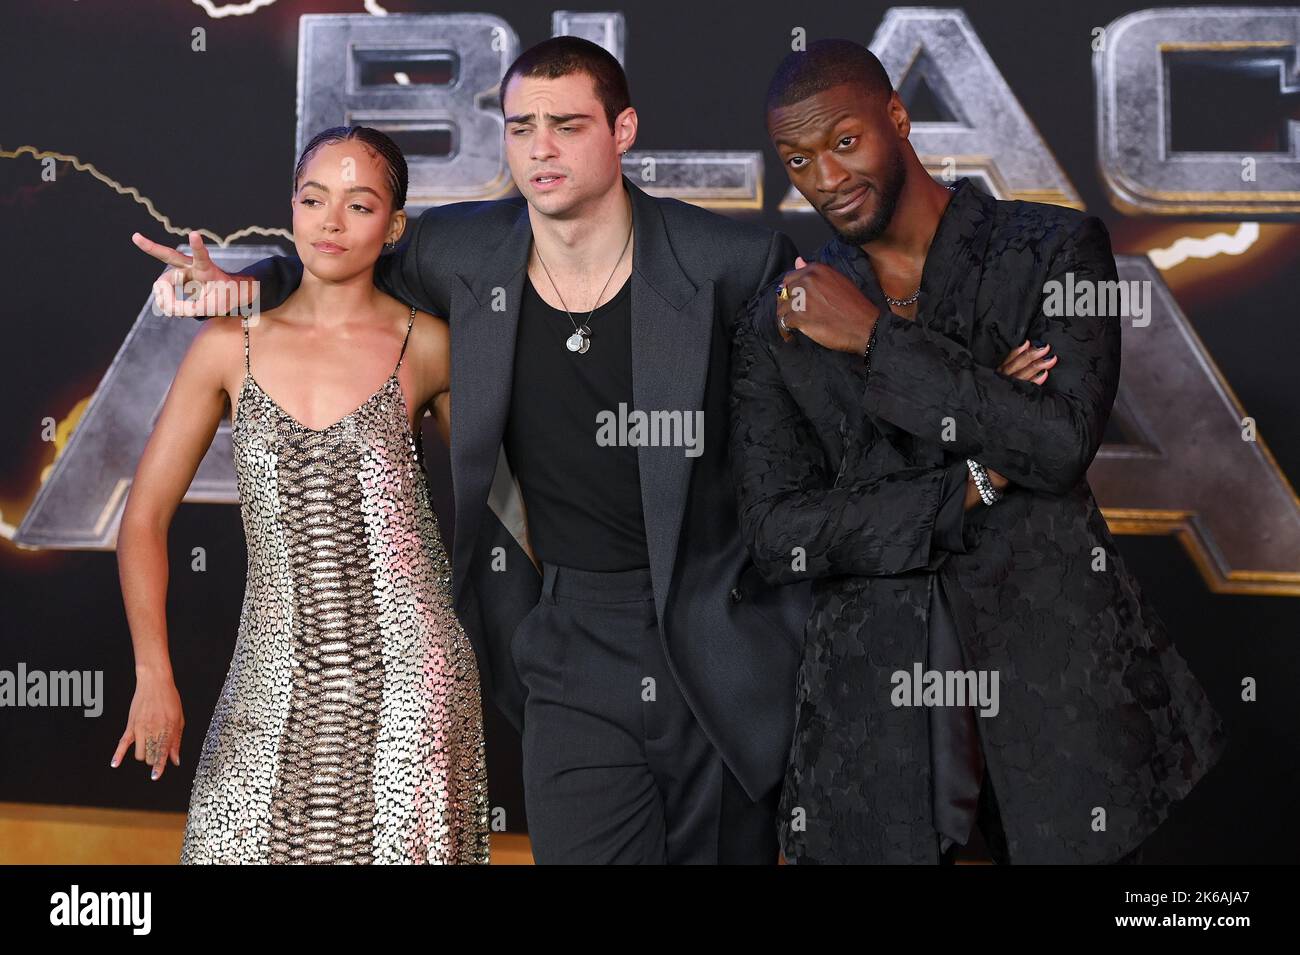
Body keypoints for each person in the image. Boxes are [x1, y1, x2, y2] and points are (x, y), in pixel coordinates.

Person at [140, 36, 809, 865]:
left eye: (567, 125)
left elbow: (807, 449)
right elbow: (338, 267)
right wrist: (252, 281)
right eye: (522, 126)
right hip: (570, 635)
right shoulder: (460, 254)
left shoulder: (732, 262)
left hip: (715, 636)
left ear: (624, 130)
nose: (541, 148)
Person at [729, 39, 1226, 864]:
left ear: (898, 117)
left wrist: (875, 339)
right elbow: (781, 533)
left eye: (844, 142)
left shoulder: (1054, 252)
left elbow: (1060, 442)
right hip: (877, 718)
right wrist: (975, 474)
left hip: (1058, 695)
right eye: (798, 160)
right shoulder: (784, 317)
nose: (824, 178)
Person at [116, 125, 489, 864]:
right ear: (290, 208)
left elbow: (505, 505)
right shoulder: (228, 343)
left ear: (394, 227)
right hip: (271, 674)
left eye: (360, 204)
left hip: (411, 686)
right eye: (314, 198)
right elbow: (143, 520)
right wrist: (152, 670)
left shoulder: (432, 343)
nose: (331, 220)